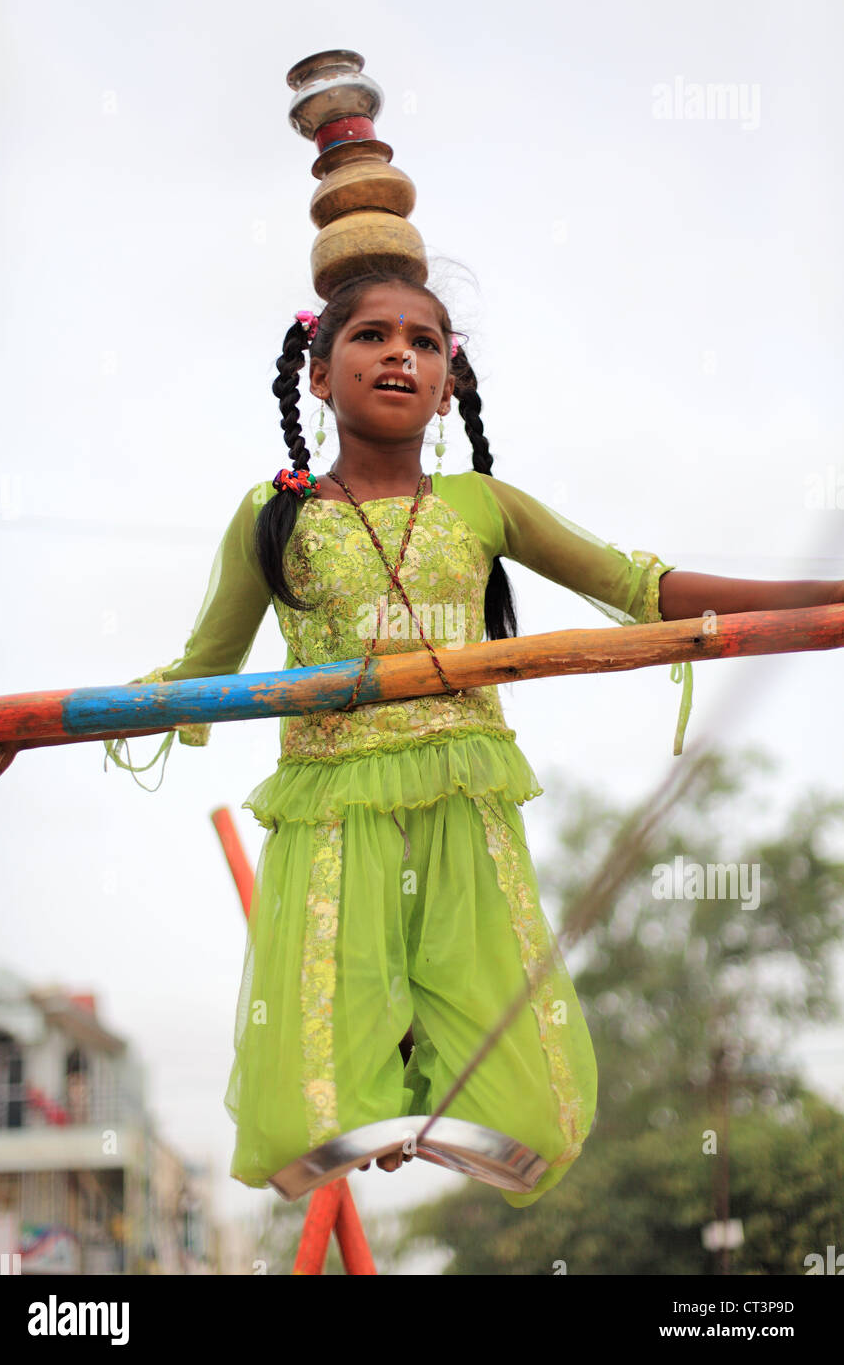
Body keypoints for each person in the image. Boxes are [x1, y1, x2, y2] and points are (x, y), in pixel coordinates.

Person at [93, 269, 842, 1208]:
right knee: (318, 1068)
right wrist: (33, 729)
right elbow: (202, 672)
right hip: (336, 805)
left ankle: (452, 1120)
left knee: (514, 1057)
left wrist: (823, 598)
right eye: (370, 336)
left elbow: (642, 586)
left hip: (465, 798)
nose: (400, 353)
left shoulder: (484, 504)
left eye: (426, 342)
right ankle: (363, 1121)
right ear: (318, 374)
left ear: (449, 385)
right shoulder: (273, 514)